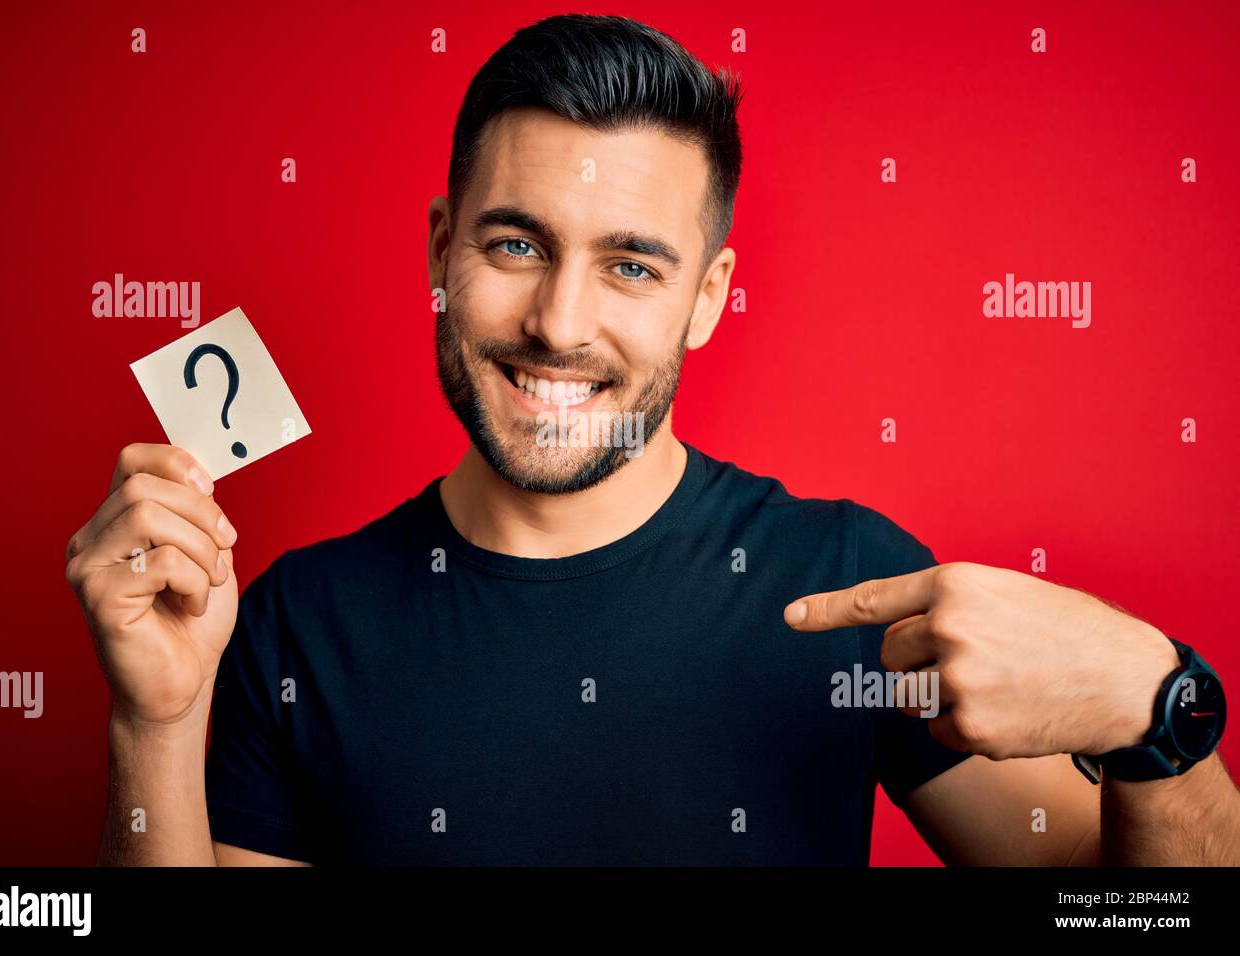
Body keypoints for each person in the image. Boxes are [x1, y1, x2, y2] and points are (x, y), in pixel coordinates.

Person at [65, 13, 1237, 866]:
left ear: (710, 293)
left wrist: (1159, 706)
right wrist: (153, 724)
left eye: (631, 264)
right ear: (440, 251)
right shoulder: (290, 623)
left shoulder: (849, 589)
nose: (559, 324)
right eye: (516, 244)